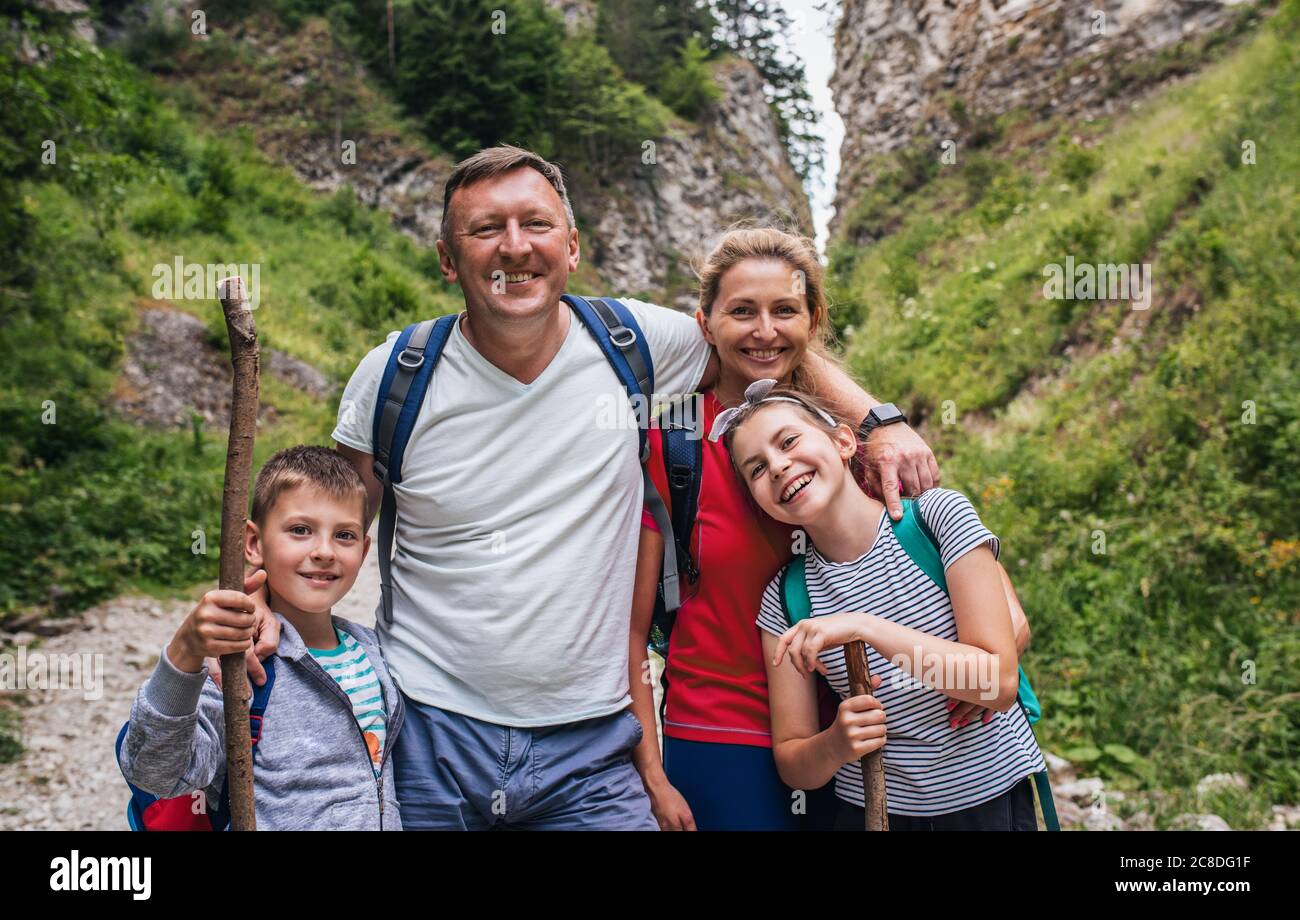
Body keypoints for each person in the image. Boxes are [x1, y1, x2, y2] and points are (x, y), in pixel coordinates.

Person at [255, 145, 939, 829]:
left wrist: (880, 421)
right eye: (486, 229)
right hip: (429, 728)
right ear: (446, 257)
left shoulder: (633, 342)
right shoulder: (396, 376)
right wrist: (260, 600)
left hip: (593, 744)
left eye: (536, 224)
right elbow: (332, 523)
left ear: (573, 245)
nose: (515, 247)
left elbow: (764, 345)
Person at [628, 226, 1028, 830]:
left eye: (784, 310)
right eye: (742, 312)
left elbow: (997, 617)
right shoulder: (672, 447)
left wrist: (975, 664)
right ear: (704, 324)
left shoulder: (860, 449)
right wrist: (653, 775)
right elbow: (630, 629)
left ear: (811, 320)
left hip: (870, 738)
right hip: (725, 733)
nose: (764, 330)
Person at [721, 383, 1046, 830]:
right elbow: (794, 763)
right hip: (874, 813)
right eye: (756, 469)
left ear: (843, 442)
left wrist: (864, 627)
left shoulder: (938, 519)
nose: (777, 466)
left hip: (990, 801)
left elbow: (996, 683)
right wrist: (836, 743)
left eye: (789, 441)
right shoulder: (786, 599)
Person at [118, 446, 403, 830]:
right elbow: (157, 772)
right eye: (300, 530)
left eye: (345, 535)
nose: (323, 551)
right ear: (253, 543)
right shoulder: (242, 662)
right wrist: (183, 654)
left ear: (364, 551)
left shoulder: (371, 651)